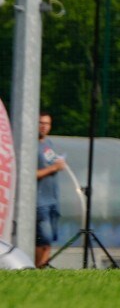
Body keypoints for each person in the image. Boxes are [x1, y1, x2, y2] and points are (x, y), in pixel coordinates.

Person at [34, 113, 67, 268]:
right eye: (41, 123)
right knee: (43, 238)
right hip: (40, 201)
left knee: (50, 239)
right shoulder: (31, 146)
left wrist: (59, 163)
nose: (43, 126)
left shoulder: (49, 144)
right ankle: (37, 268)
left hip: (53, 198)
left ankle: (42, 268)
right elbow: (30, 174)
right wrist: (54, 168)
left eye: (47, 123)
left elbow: (53, 163)